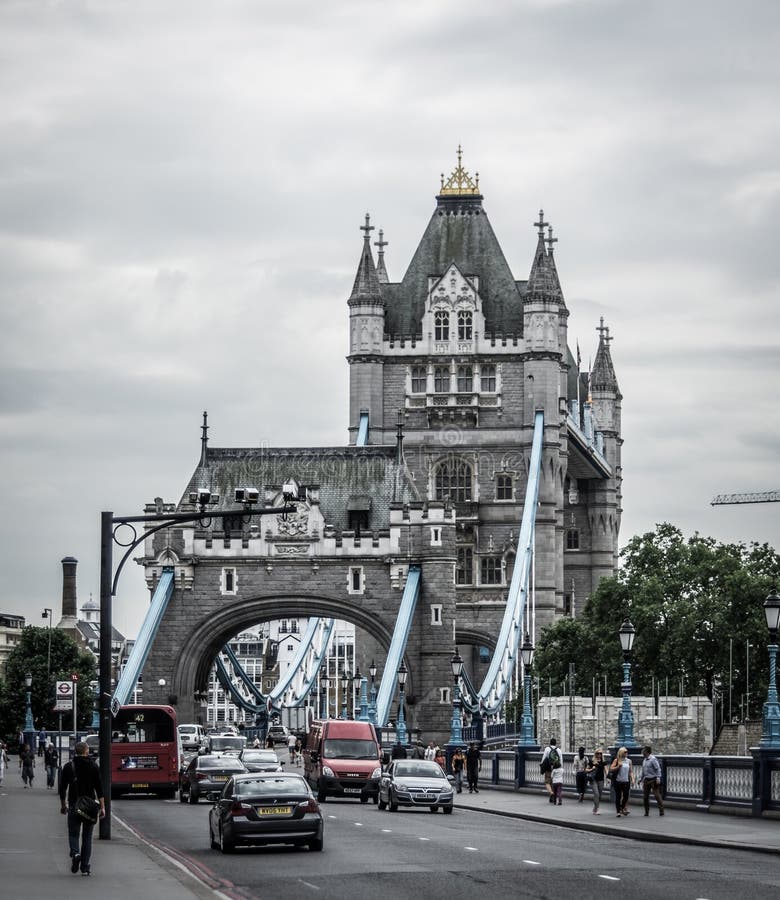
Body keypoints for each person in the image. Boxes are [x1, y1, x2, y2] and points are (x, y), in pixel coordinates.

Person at [59, 741, 105, 876]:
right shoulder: (93, 766)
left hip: (74, 805)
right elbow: (99, 789)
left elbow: (62, 788)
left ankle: (75, 853)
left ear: (75, 751)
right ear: (86, 751)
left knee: (73, 833)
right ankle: (85, 867)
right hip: (90, 807)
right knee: (87, 837)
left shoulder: (68, 767)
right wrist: (103, 807)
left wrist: (63, 805)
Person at [640, 745, 664, 816]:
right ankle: (646, 811)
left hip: (653, 780)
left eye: (643, 750)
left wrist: (658, 778)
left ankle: (661, 810)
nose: (642, 752)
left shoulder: (653, 759)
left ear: (647, 752)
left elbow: (658, 769)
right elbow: (643, 771)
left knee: (657, 795)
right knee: (645, 797)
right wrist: (640, 779)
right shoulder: (644, 760)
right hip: (646, 780)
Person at [609, 746, 634, 817]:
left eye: (627, 752)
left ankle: (622, 808)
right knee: (618, 796)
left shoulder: (629, 761)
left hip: (626, 780)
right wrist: (618, 767)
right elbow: (611, 769)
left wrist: (632, 779)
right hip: (618, 781)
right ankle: (618, 811)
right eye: (625, 752)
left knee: (626, 796)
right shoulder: (617, 760)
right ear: (621, 753)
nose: (626, 753)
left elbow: (631, 771)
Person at [540, 737, 558, 804]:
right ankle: (552, 798)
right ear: (555, 743)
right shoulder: (558, 749)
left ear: (550, 743)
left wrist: (541, 765)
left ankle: (551, 793)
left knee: (547, 782)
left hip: (548, 768)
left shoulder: (547, 749)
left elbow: (544, 758)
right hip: (556, 768)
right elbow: (560, 759)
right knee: (553, 783)